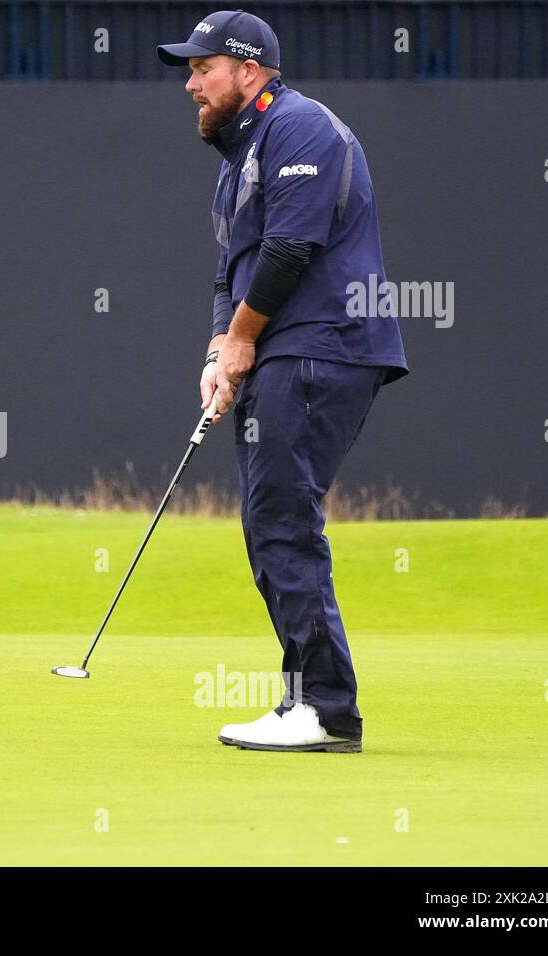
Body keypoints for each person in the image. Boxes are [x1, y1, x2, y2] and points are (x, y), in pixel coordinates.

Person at [157, 10, 408, 752]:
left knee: (283, 520)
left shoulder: (302, 128)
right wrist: (219, 352)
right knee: (272, 521)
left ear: (251, 71)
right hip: (285, 353)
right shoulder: (237, 164)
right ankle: (311, 700)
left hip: (321, 347)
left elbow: (291, 247)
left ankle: (326, 710)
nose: (192, 85)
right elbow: (227, 271)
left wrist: (241, 341)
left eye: (204, 69)